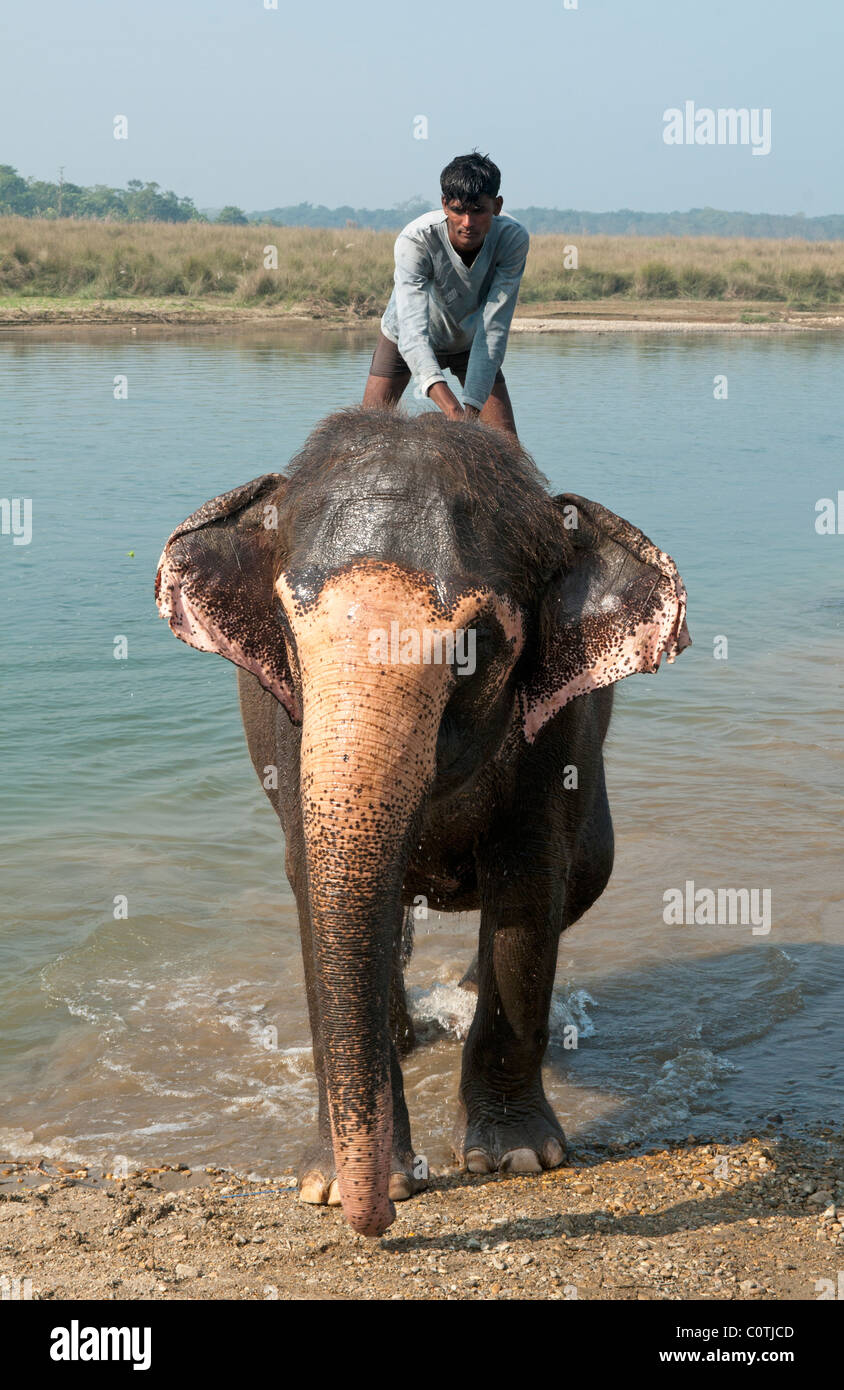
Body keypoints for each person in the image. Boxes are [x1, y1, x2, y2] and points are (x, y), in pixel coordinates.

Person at [362, 152, 528, 438]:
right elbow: (413, 335)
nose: (467, 222)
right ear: (443, 204)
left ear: (497, 206)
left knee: (507, 445)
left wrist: (469, 416)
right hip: (406, 337)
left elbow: (494, 329)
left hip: (474, 340)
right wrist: (453, 412)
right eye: (457, 209)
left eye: (479, 210)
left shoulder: (512, 239)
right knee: (363, 435)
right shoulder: (416, 239)